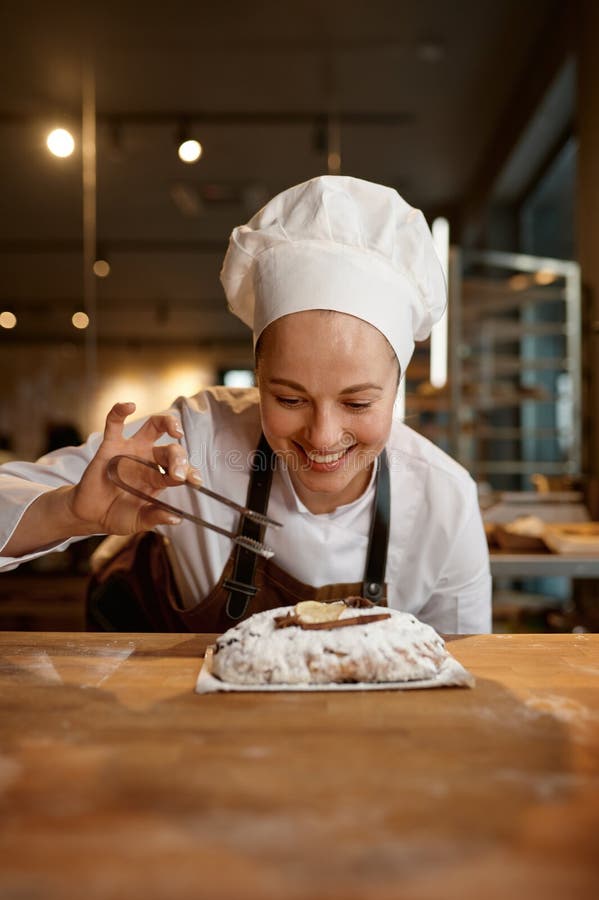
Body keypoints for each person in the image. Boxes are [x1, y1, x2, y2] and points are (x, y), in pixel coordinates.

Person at [0, 176, 491, 633]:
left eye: (358, 402)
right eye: (289, 397)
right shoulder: (193, 441)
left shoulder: (444, 502)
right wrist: (69, 512)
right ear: (256, 379)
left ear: (398, 384)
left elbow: (462, 684)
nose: (322, 436)